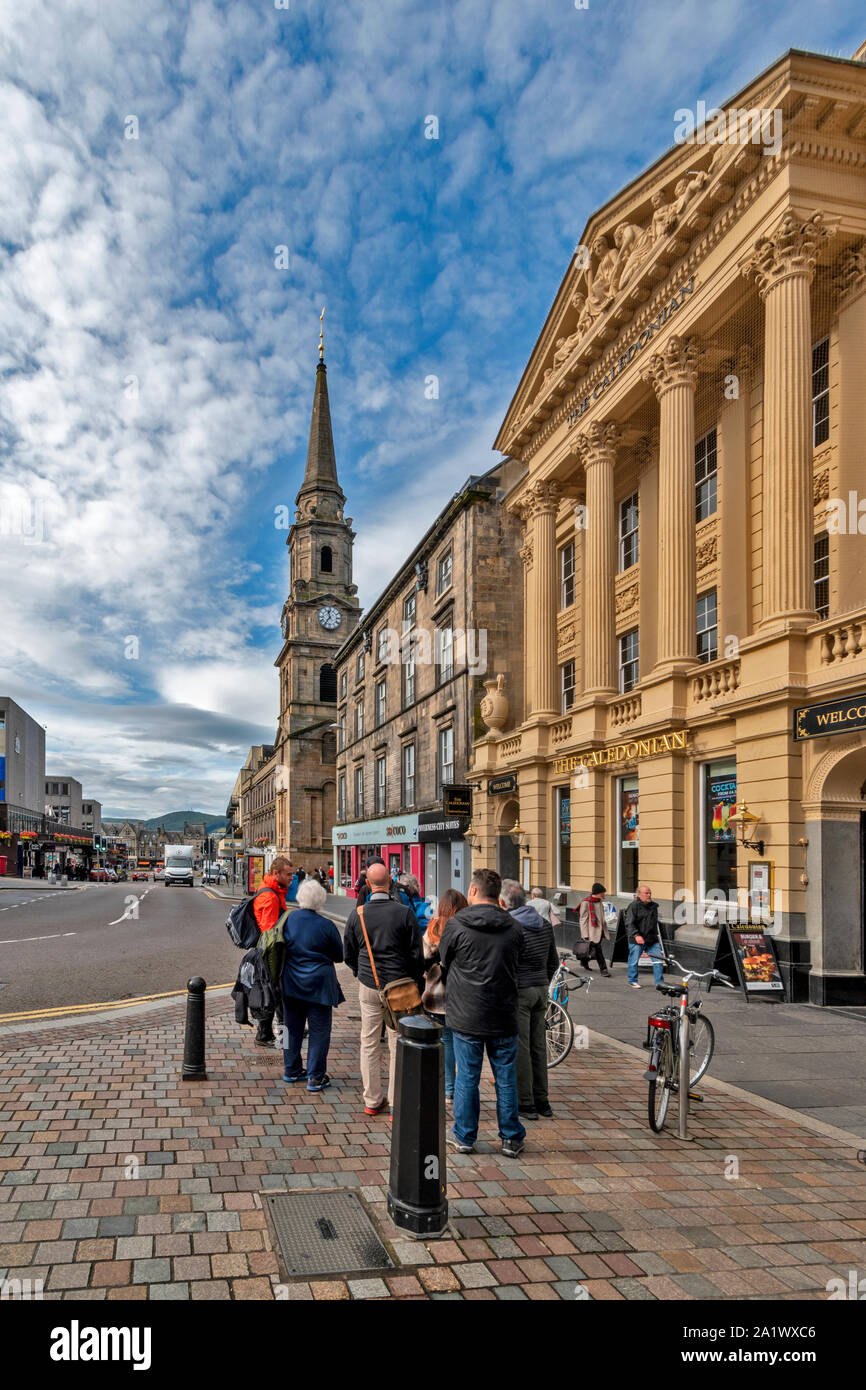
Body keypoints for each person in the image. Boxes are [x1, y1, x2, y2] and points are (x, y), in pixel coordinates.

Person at [439, 867, 526, 1159]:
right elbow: (519, 964)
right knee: (505, 1077)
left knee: (467, 1077)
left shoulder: (456, 925)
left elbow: (444, 961)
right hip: (503, 1013)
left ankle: (464, 1136)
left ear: (473, 891)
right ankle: (511, 1138)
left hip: (466, 1014)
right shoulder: (514, 927)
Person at [343, 861, 425, 1116]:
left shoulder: (357, 914)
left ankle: (372, 1099)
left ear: (368, 884)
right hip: (399, 988)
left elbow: (348, 954)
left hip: (369, 985)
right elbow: (416, 955)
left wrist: (362, 972)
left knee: (369, 1042)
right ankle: (396, 1102)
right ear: (390, 882)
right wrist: (413, 981)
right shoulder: (404, 913)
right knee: (396, 1041)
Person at [500, 880, 558, 1122]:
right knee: (538, 1045)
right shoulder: (543, 924)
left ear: (503, 902)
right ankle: (542, 1099)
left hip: (521, 990)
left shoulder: (511, 926)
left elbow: (507, 962)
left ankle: (526, 1102)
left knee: (521, 1046)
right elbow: (553, 961)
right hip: (541, 987)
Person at [281, 878, 345, 1092]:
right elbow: (339, 955)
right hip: (319, 985)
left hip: (291, 983)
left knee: (289, 1029)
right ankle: (315, 1076)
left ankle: (291, 1069)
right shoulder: (326, 925)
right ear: (321, 900)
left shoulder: (287, 920)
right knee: (319, 1031)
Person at [421, 889, 467, 1108]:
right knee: (461, 1042)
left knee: (445, 1042)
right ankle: (459, 1089)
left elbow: (423, 960)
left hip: (436, 996)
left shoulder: (433, 927)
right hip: (461, 996)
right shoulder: (465, 928)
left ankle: (448, 1089)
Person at [251, 855, 293, 1045]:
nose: (291, 878)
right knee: (276, 994)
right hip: (271, 955)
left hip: (270, 953)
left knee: (273, 995)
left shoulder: (275, 890)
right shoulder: (270, 896)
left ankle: (269, 1033)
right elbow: (269, 935)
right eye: (288, 874)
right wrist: (275, 966)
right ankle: (275, 1035)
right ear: (276, 873)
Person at [625, 884, 665, 988]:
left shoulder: (654, 906)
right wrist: (636, 935)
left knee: (658, 961)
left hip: (651, 939)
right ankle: (632, 980)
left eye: (650, 893)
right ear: (639, 895)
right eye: (646, 893)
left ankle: (659, 982)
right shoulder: (633, 906)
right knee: (633, 961)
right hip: (637, 938)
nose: (649, 895)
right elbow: (629, 923)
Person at [578, 882, 612, 977]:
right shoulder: (586, 902)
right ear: (598, 892)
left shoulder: (599, 901)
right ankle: (603, 969)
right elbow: (583, 919)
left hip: (600, 930)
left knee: (591, 949)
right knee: (597, 950)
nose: (604, 894)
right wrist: (584, 935)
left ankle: (584, 961)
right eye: (603, 893)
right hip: (592, 931)